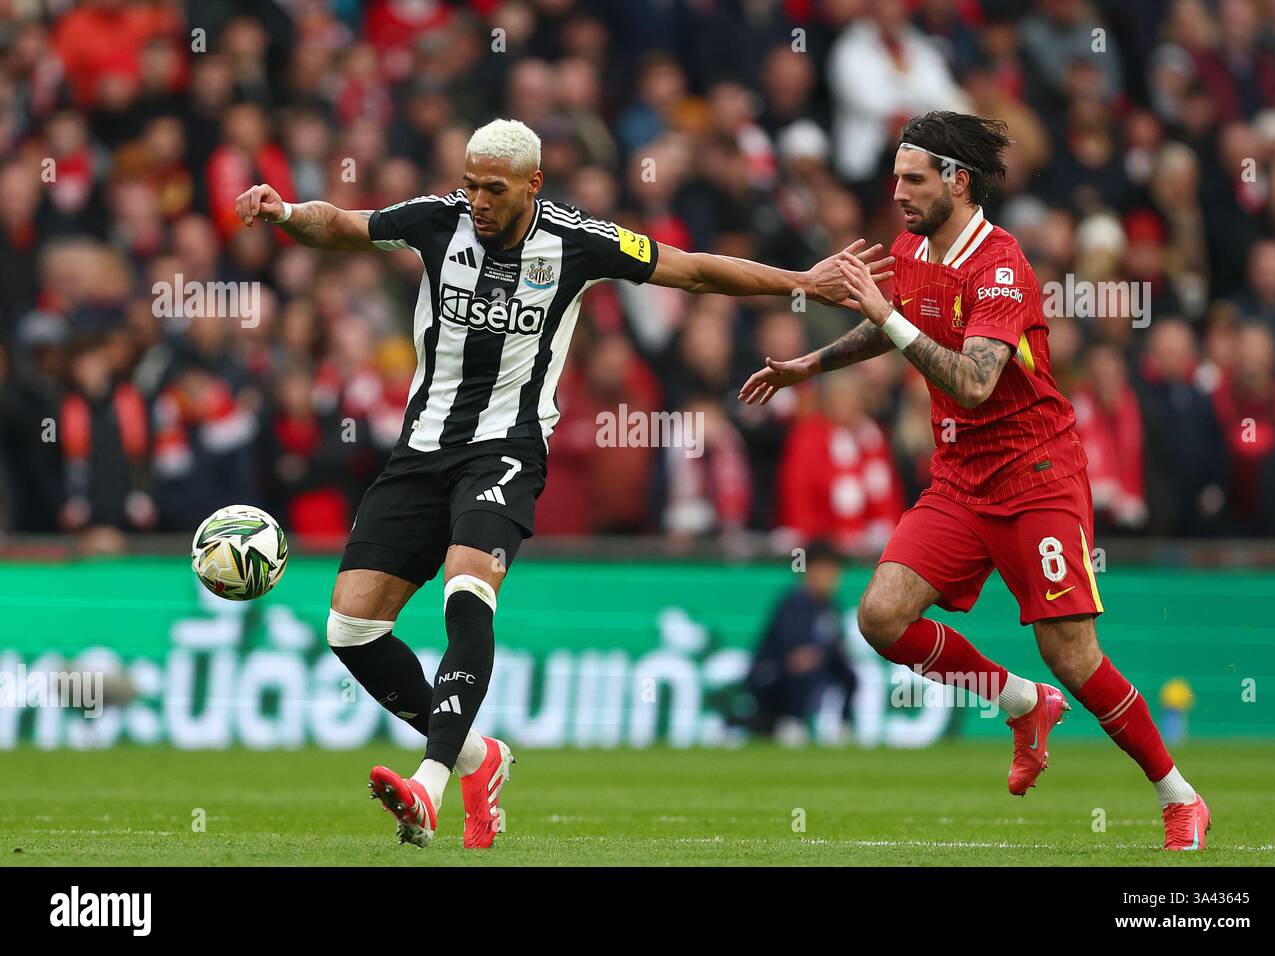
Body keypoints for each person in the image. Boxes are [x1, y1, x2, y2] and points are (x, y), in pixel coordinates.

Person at [234, 118, 893, 850]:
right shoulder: (435, 221)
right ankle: (479, 757)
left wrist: (802, 281)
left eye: (493, 188)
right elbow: (341, 225)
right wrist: (287, 213)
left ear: (532, 185)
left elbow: (695, 269)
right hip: (419, 453)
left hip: (504, 453)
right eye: (470, 182)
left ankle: (431, 781)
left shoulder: (579, 241)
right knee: (351, 629)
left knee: (466, 594)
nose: (477, 200)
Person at [740, 111, 1210, 851]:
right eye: (896, 176)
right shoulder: (915, 247)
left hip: (1037, 476)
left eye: (912, 179)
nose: (897, 191)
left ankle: (1178, 794)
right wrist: (812, 365)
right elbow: (892, 320)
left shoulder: (1001, 267)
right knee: (881, 617)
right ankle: (1021, 702)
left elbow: (974, 382)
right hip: (960, 481)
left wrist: (887, 320)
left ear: (957, 181)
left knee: (1073, 655)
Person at [745, 539, 857, 744]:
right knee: (805, 664)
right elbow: (791, 649)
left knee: (848, 675)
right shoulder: (794, 602)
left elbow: (835, 647)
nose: (832, 578)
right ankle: (792, 724)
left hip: (811, 668)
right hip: (771, 673)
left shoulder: (831, 607)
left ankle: (844, 726)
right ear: (811, 570)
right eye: (827, 571)